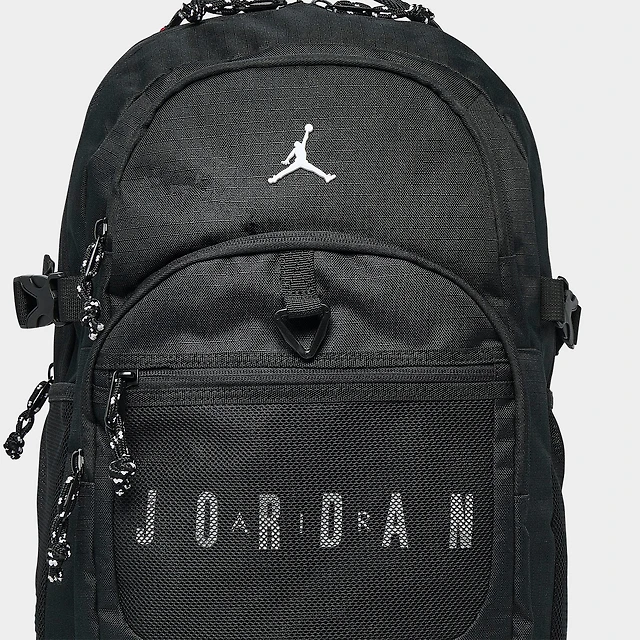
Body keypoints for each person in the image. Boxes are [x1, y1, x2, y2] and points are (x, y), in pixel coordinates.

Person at [269, 124, 336, 184]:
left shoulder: (300, 147)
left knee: (313, 169)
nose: (297, 143)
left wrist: (307, 131)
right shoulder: (298, 148)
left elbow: (305, 139)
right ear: (296, 145)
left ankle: (326, 177)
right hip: (300, 162)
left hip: (302, 162)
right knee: (314, 169)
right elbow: (291, 154)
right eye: (296, 143)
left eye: (298, 142)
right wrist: (287, 160)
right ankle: (275, 178)